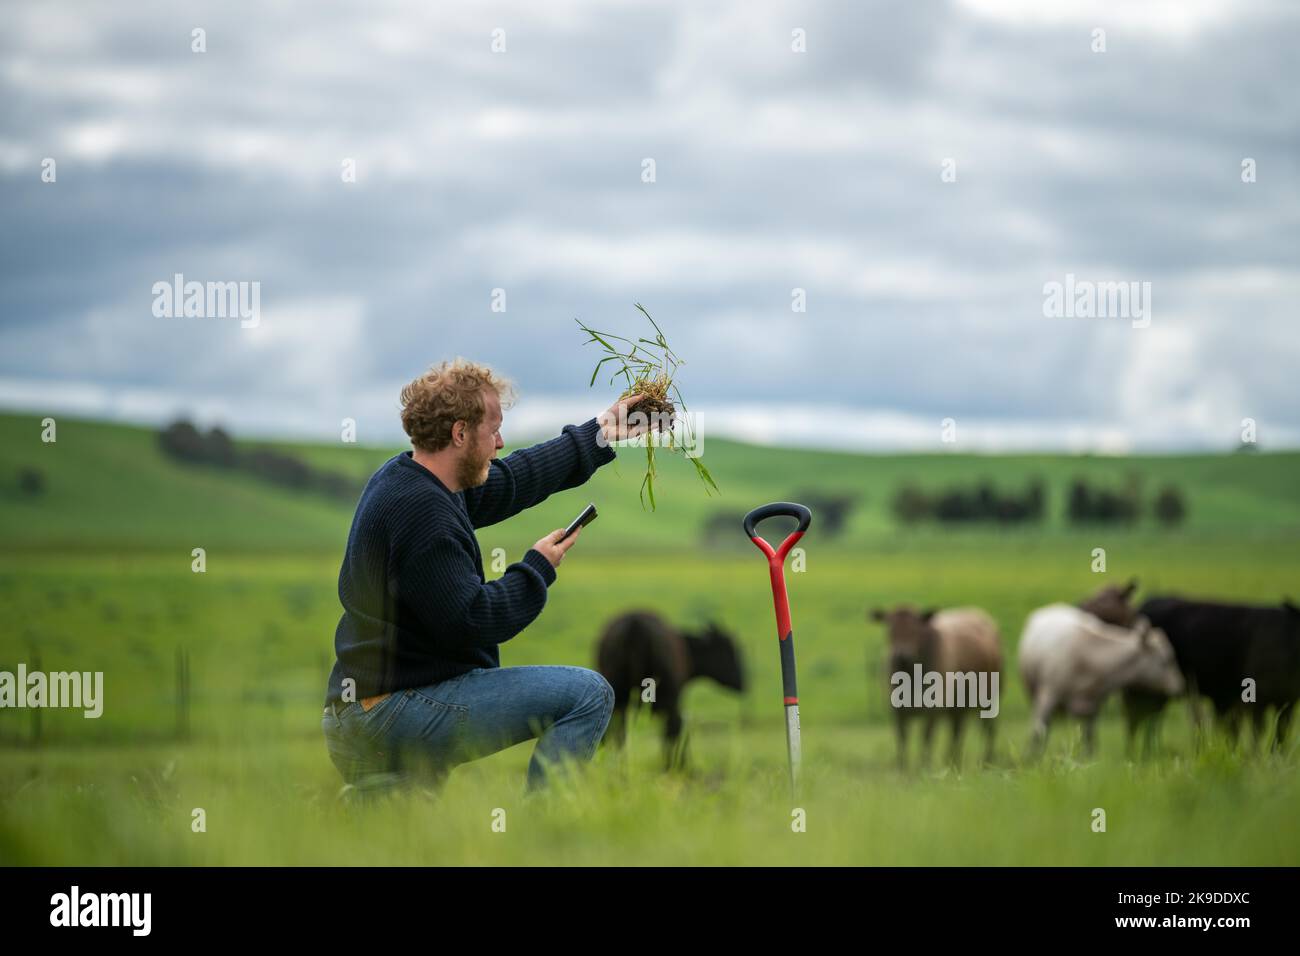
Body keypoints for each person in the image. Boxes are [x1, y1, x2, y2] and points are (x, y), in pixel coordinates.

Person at [321, 357, 649, 797]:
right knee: (588, 694)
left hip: (363, 710)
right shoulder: (425, 515)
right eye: (493, 429)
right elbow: (475, 620)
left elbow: (515, 479)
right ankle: (545, 837)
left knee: (406, 832)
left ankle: (369, 803)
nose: (500, 441)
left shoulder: (411, 479)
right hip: (389, 713)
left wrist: (600, 432)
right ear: (460, 433)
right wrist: (536, 569)